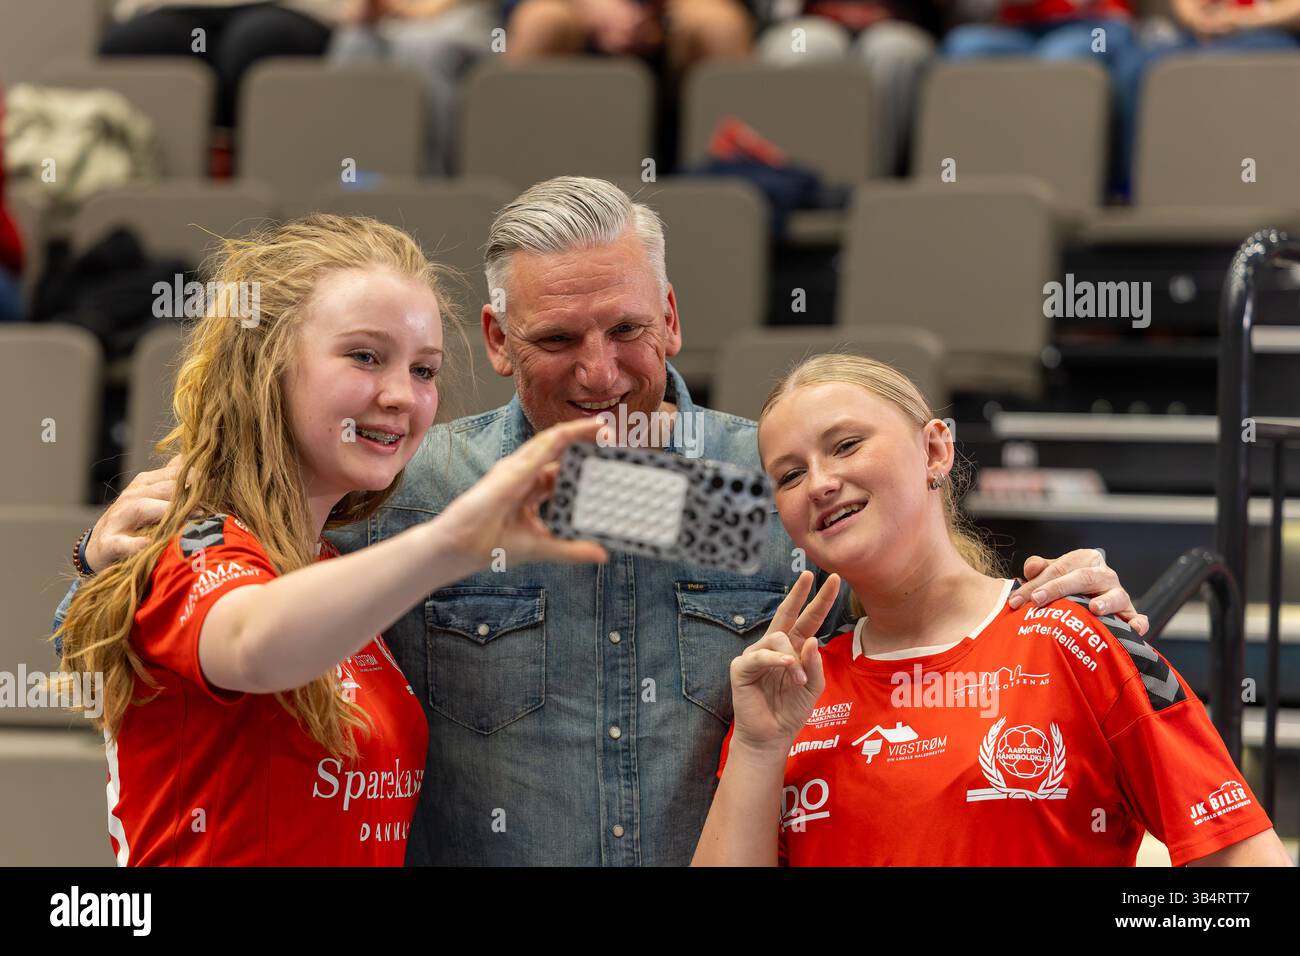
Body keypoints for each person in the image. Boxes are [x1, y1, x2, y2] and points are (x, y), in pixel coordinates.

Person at [56, 176, 1147, 866]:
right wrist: (98, 557)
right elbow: (198, 638)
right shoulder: (406, 487)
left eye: (627, 328)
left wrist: (1059, 604)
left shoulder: (763, 482)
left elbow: (935, 605)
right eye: (554, 340)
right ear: (493, 338)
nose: (598, 373)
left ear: (672, 315)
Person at [53, 214, 609, 865]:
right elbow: (253, 644)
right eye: (364, 356)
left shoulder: (328, 560)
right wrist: (454, 542)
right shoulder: (189, 538)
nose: (403, 395)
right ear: (267, 365)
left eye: (425, 371)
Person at [693, 353, 1292, 866]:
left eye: (846, 445)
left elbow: (1244, 862)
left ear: (934, 449)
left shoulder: (1075, 638)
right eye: (790, 475)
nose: (820, 482)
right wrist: (757, 746)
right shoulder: (788, 694)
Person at [328, 0, 499, 175]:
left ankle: (434, 175)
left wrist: (409, 9)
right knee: (353, 41)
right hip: (397, 21)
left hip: (460, 16)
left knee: (418, 48)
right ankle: (355, 172)